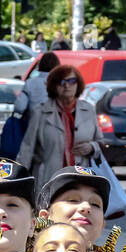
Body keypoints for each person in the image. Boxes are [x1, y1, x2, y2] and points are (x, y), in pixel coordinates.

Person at [15, 64, 100, 194]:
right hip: (48, 180)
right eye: (62, 82)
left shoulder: (88, 110)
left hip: (81, 179)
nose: (67, 86)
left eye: (72, 81)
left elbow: (100, 142)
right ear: (54, 86)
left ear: (78, 84)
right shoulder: (41, 111)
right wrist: (19, 182)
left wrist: (92, 147)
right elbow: (27, 149)